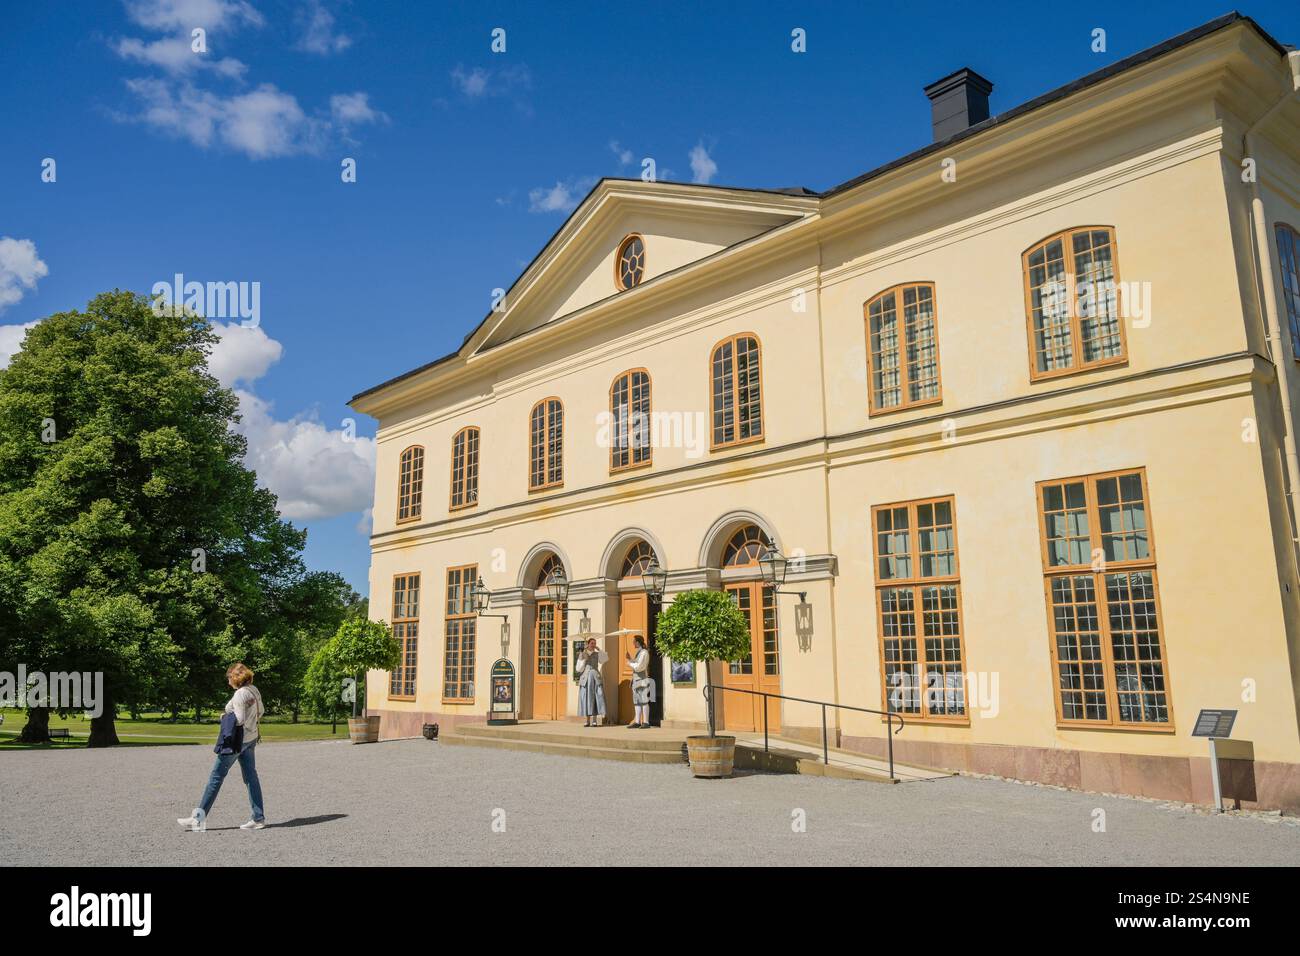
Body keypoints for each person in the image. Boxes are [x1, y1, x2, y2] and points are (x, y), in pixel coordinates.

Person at [177, 663, 266, 831]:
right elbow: (261, 711)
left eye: (229, 678)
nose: (228, 682)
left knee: (216, 777)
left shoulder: (240, 694)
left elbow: (238, 719)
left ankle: (198, 818)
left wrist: (224, 716)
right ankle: (258, 818)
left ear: (235, 677)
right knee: (251, 778)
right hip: (251, 738)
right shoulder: (254, 690)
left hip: (236, 742)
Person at [576, 637, 608, 727]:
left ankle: (594, 720)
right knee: (586, 699)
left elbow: (604, 659)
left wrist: (600, 650)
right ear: (588, 644)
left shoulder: (597, 654)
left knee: (595, 698)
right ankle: (587, 720)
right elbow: (578, 669)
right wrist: (583, 659)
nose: (593, 645)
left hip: (595, 677)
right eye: (592, 643)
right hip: (585, 678)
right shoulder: (582, 654)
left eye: (595, 643)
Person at [626, 635, 655, 729]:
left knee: (644, 701)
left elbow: (639, 667)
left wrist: (629, 663)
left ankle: (646, 722)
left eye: (634, 642)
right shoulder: (639, 652)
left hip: (642, 680)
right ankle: (637, 721)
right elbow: (636, 663)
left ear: (638, 642)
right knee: (637, 701)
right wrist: (630, 659)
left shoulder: (644, 652)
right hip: (636, 680)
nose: (633, 644)